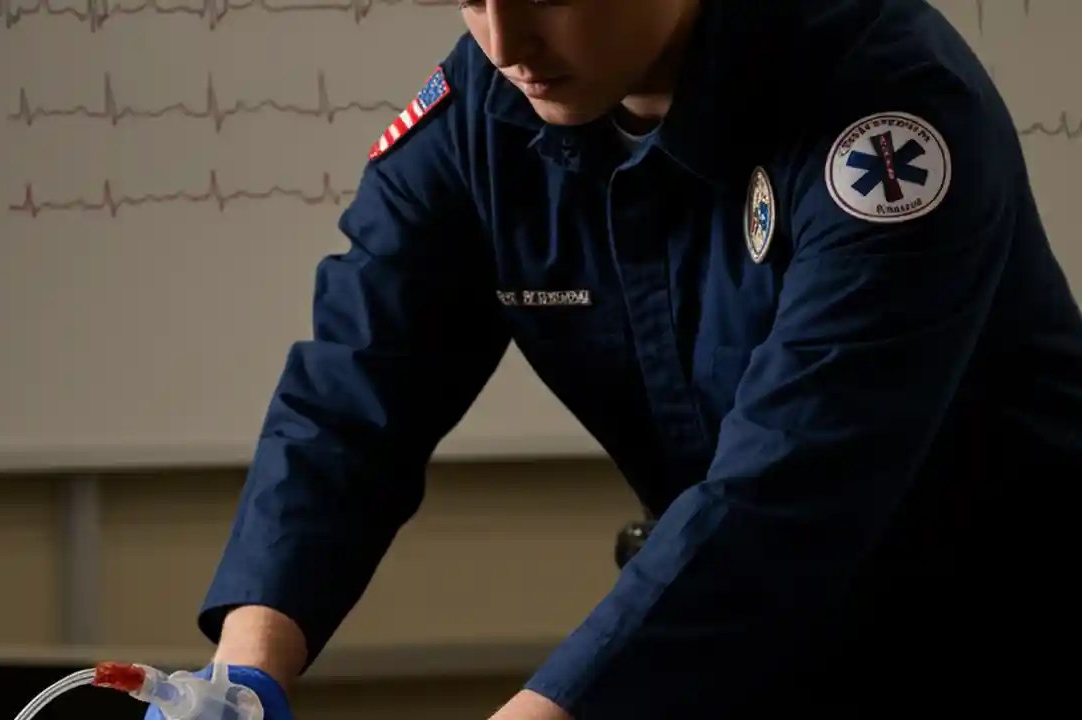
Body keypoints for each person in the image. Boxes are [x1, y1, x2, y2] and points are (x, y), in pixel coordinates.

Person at [148, 0, 1081, 716]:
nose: (505, 41)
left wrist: (550, 706)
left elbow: (790, 488)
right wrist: (241, 678)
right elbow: (352, 396)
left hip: (989, 632)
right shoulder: (487, 106)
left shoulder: (887, 115)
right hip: (736, 642)